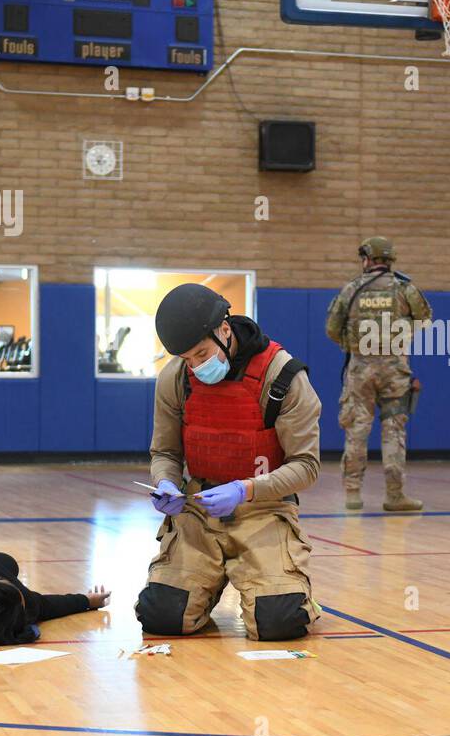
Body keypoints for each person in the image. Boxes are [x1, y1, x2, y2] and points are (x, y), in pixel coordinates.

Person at [139, 283, 322, 640]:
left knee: (279, 621)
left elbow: (306, 466)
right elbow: (165, 453)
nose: (195, 365)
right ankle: (203, 581)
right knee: (161, 616)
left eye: (201, 353)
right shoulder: (174, 377)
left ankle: (287, 589)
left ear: (224, 329)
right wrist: (165, 482)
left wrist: (245, 489)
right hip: (199, 509)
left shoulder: (282, 376)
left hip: (263, 510)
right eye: (187, 358)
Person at [326, 236, 432, 512]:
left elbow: (332, 328)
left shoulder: (351, 289)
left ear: (367, 259)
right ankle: (395, 496)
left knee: (357, 430)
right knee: (394, 431)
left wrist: (354, 346)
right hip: (395, 371)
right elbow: (424, 319)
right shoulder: (404, 289)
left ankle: (352, 494)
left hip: (360, 369)